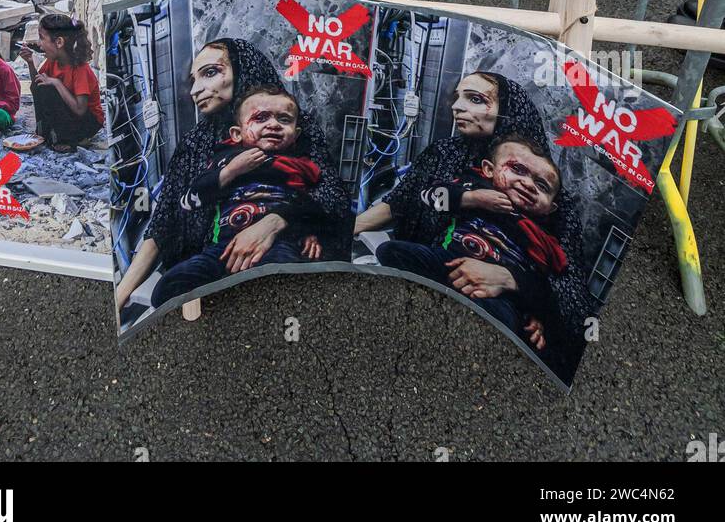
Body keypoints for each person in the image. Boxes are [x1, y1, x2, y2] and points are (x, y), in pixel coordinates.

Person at [354, 67, 589, 381]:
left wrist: (513, 282)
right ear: (490, 169)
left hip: (493, 314)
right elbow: (403, 202)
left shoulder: (548, 197)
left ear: (507, 113)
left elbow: (569, 294)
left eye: (476, 99)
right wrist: (347, 227)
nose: (457, 106)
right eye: (458, 97)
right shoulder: (443, 153)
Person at [115, 36, 352, 313]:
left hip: (279, 253)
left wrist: (275, 223)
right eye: (193, 79)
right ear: (236, 134)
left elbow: (331, 197)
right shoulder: (195, 142)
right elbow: (165, 221)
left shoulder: (294, 127)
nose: (195, 89)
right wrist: (120, 295)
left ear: (242, 70)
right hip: (214, 259)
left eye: (211, 72)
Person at [375, 134, 566, 352]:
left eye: (542, 186)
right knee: (390, 250)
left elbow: (543, 285)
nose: (529, 184)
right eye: (518, 170)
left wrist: (535, 313)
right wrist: (472, 198)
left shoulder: (542, 237)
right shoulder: (474, 186)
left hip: (498, 296)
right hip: (448, 262)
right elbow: (428, 197)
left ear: (550, 208)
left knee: (506, 319)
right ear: (488, 170)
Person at [150, 85, 327, 307]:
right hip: (223, 248)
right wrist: (231, 171)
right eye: (260, 118)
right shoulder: (225, 160)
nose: (273, 124)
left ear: (296, 134)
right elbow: (189, 200)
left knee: (287, 279)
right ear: (236, 133)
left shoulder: (300, 166)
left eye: (284, 119)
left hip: (279, 244)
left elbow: (314, 205)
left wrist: (308, 232)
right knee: (169, 287)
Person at [17, 12, 102, 152]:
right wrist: (31, 63)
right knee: (42, 86)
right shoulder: (52, 62)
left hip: (88, 121)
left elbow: (80, 110)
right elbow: (38, 86)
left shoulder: (80, 69)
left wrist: (57, 83)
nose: (39, 44)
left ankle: (74, 140)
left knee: (50, 87)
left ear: (59, 42)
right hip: (70, 115)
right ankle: (44, 133)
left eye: (42, 38)